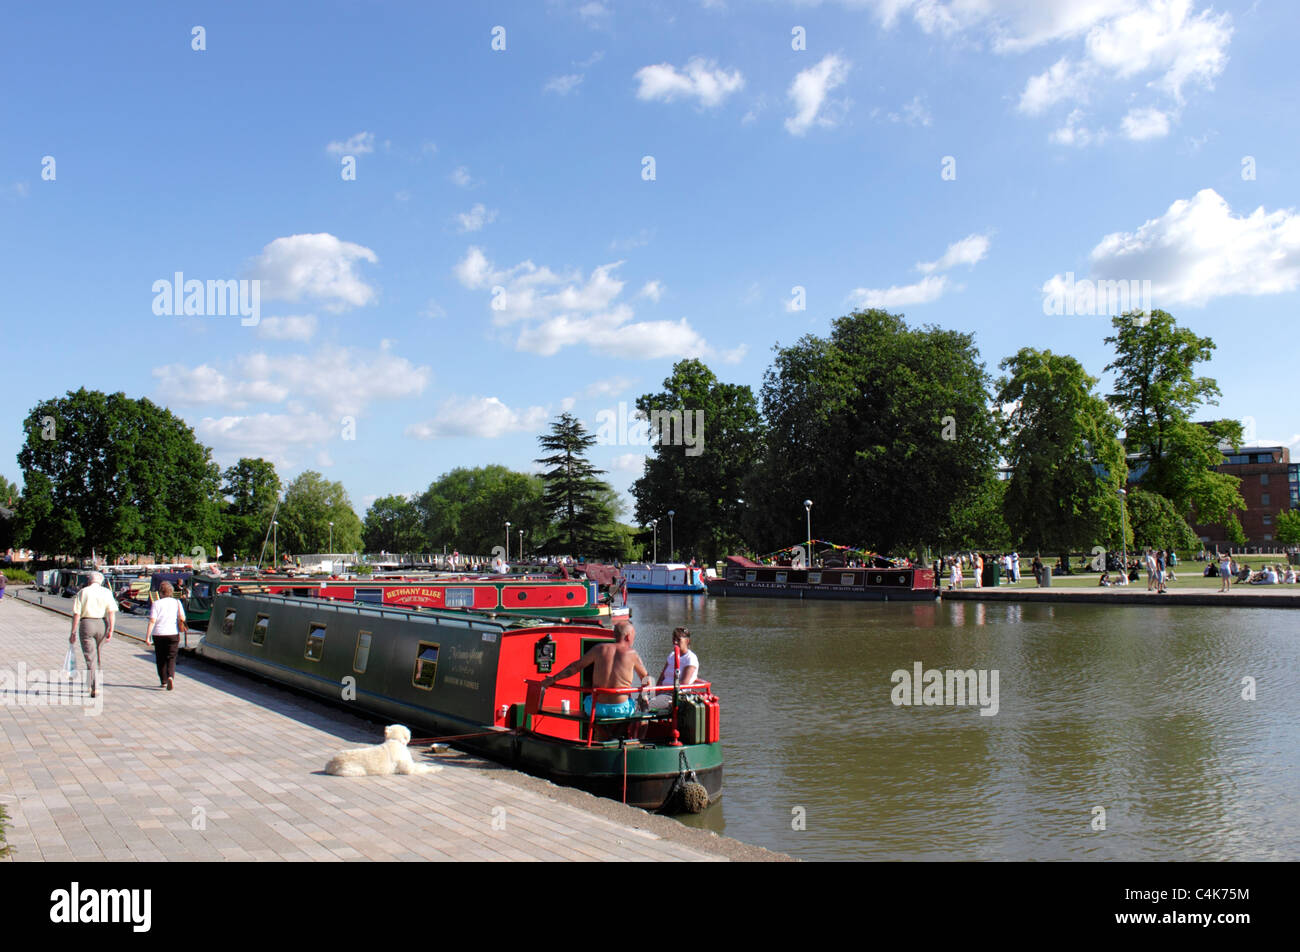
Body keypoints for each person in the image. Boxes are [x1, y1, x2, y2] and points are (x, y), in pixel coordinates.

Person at [539, 620, 650, 726]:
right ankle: (630, 736)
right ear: (628, 636)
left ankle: (599, 736)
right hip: (621, 710)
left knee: (589, 701)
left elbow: (574, 667)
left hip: (596, 709)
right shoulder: (632, 654)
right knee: (641, 706)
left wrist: (552, 679)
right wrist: (643, 695)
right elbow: (647, 679)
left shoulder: (599, 649)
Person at [69, 571, 116, 698]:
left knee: (90, 656)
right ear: (101, 581)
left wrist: (73, 631)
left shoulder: (83, 592)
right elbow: (111, 612)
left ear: (89, 580)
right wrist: (111, 629)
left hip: (87, 623)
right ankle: (93, 682)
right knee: (98, 654)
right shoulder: (107, 592)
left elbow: (77, 613)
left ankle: (93, 685)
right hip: (102, 623)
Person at [145, 579, 186, 690]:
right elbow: (182, 618)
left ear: (160, 592)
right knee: (171, 657)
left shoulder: (156, 604)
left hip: (158, 634)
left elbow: (152, 621)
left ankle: (163, 681)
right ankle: (170, 677)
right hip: (173, 633)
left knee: (160, 657)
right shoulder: (177, 602)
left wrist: (147, 636)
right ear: (171, 592)